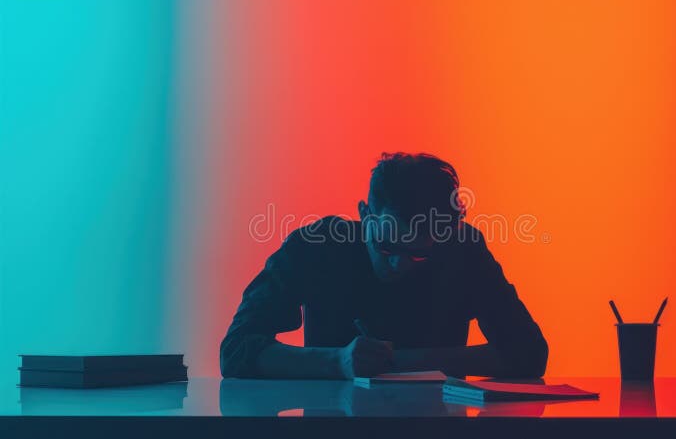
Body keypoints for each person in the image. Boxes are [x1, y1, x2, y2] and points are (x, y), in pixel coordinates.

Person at [220, 152, 548, 379]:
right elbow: (235, 351)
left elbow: (530, 352)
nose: (398, 263)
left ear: (446, 233)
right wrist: (338, 362)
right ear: (365, 215)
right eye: (386, 245)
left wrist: (399, 362)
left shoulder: (464, 248)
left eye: (418, 253)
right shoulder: (314, 246)